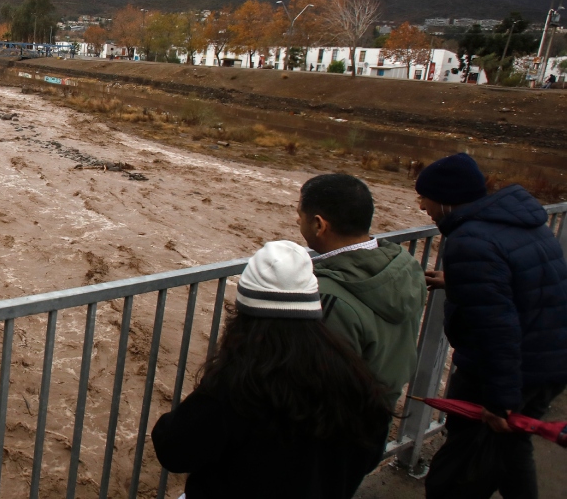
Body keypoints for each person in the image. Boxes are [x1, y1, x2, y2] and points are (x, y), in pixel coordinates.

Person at [152, 240, 391, 499]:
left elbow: (174, 450)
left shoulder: (237, 386)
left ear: (244, 313)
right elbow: (369, 453)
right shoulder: (354, 377)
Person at [414, 153, 567, 499]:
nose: (423, 206)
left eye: (425, 197)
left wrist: (500, 401)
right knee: (512, 451)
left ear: (447, 200)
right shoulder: (518, 222)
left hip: (509, 374)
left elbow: (497, 328)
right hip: (550, 361)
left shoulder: (471, 242)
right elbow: (521, 288)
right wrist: (460, 281)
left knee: (456, 474)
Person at [296, 174, 428, 410]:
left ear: (319, 224)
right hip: (379, 409)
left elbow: (316, 380)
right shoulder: (404, 268)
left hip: (334, 425)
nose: (297, 222)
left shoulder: (327, 295)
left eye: (299, 215)